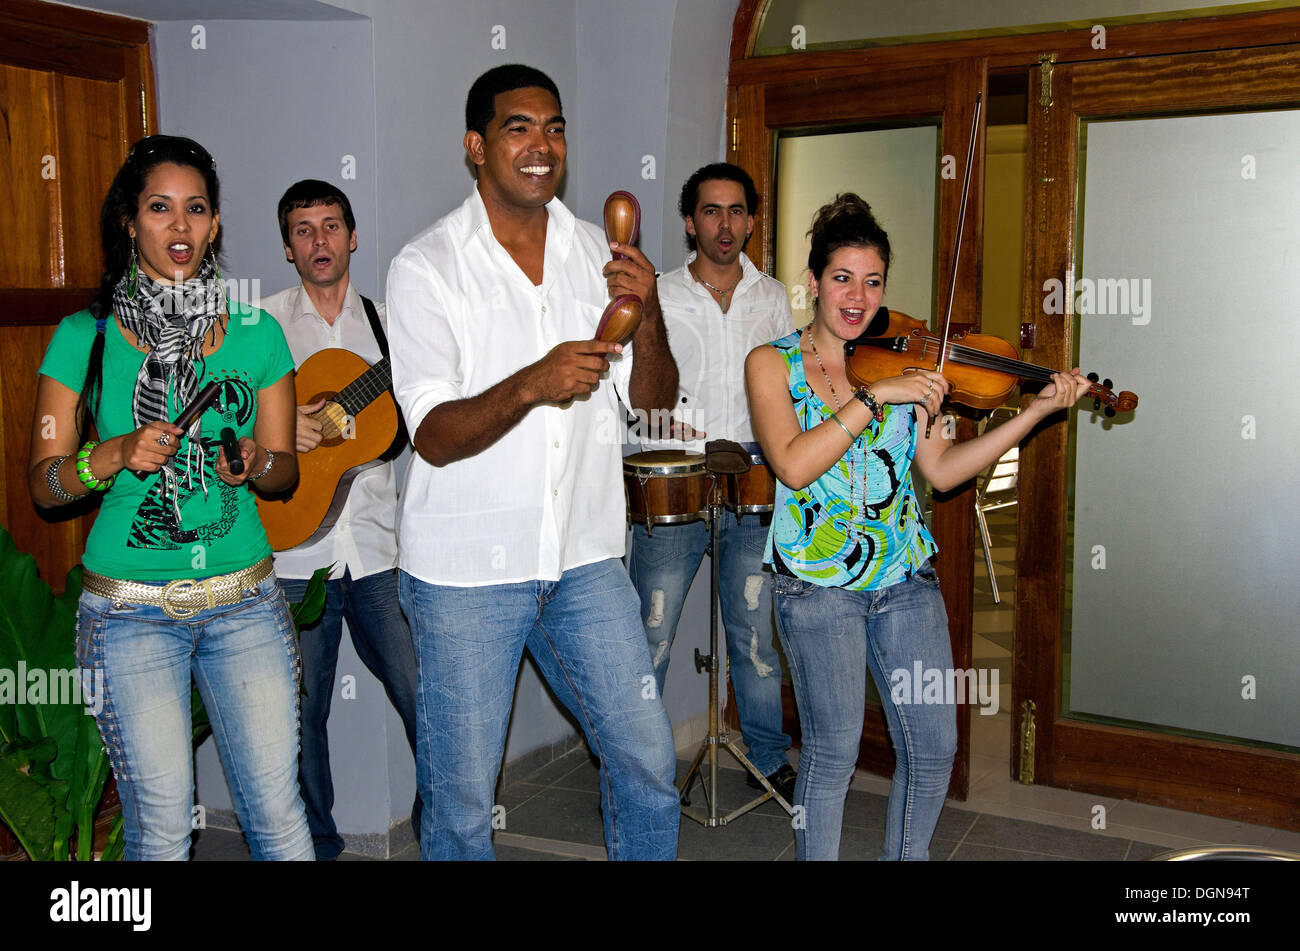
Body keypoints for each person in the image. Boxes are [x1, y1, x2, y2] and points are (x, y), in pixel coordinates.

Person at [386, 63, 682, 860]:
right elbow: (434, 435)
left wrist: (645, 313)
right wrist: (532, 383)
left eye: (554, 127)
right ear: (475, 146)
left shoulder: (597, 250)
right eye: (519, 127)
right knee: (460, 802)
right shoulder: (427, 266)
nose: (542, 145)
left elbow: (653, 403)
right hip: (464, 574)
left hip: (584, 559)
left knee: (648, 760)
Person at [745, 193, 1091, 860]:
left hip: (905, 577)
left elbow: (943, 470)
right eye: (842, 278)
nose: (858, 296)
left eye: (873, 281)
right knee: (832, 749)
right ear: (812, 282)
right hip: (816, 587)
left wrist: (1033, 414)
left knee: (934, 747)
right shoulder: (773, 363)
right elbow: (792, 464)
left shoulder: (913, 364)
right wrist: (874, 396)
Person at [28, 135, 311, 861]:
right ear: (130, 221)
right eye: (160, 208)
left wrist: (252, 460)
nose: (180, 227)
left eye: (196, 209)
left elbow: (285, 472)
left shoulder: (256, 333)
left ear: (215, 224)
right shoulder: (80, 338)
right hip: (127, 614)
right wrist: (111, 456)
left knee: (278, 817)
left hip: (244, 601)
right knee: (160, 829)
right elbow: (45, 482)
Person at [259, 179, 421, 861]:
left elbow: (427, 414)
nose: (319, 240)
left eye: (331, 225)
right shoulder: (258, 327)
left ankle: (444, 829)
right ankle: (316, 850)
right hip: (295, 559)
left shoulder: (392, 325)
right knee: (298, 720)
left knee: (427, 698)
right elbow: (219, 418)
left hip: (381, 554)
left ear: (352, 237)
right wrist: (275, 427)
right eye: (303, 228)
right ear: (288, 246)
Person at [627, 162, 796, 801]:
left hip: (754, 487)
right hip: (676, 486)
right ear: (689, 222)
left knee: (754, 637)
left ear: (751, 221)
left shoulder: (774, 297)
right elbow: (636, 405)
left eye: (735, 212)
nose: (723, 225)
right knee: (650, 637)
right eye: (710, 211)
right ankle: (633, 770)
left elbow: (787, 390)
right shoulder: (658, 294)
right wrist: (699, 440)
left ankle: (768, 755)